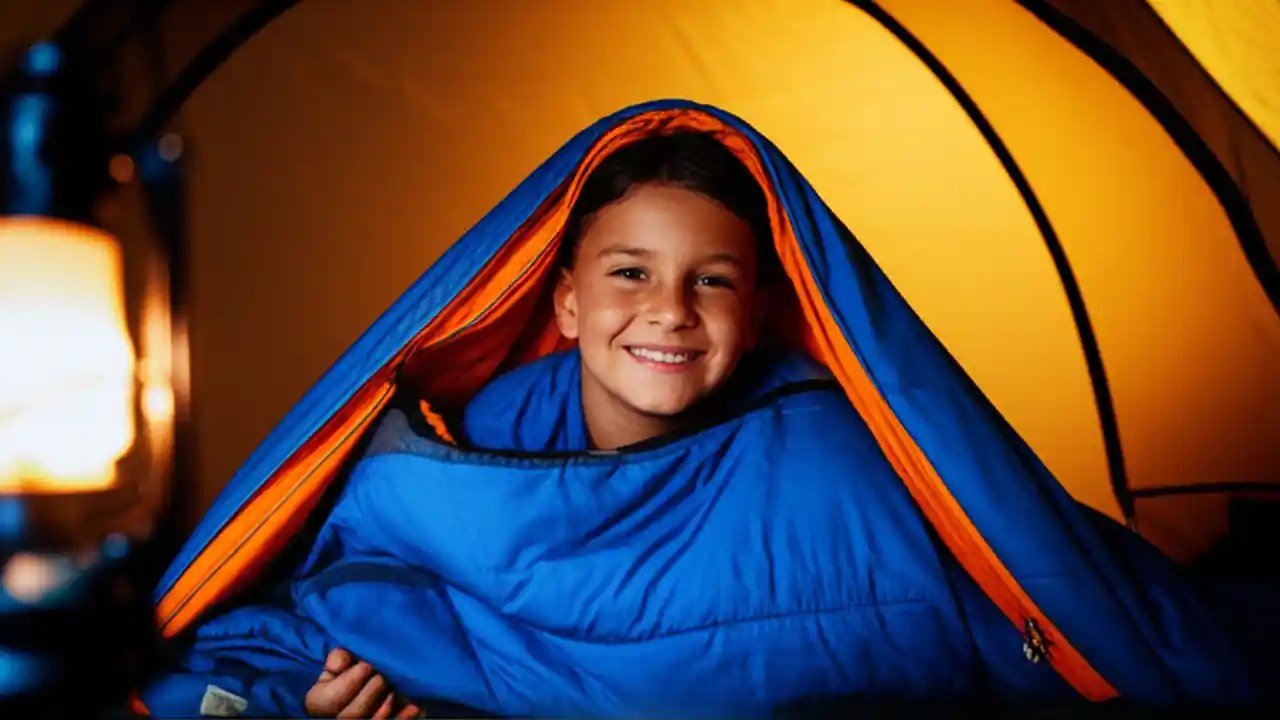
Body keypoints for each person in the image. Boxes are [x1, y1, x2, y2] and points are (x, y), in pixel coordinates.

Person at [305, 130, 796, 717]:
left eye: (713, 281)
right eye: (631, 274)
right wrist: (354, 693)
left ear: (753, 319)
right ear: (568, 304)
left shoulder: (816, 447)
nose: (671, 310)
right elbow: (382, 594)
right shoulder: (482, 442)